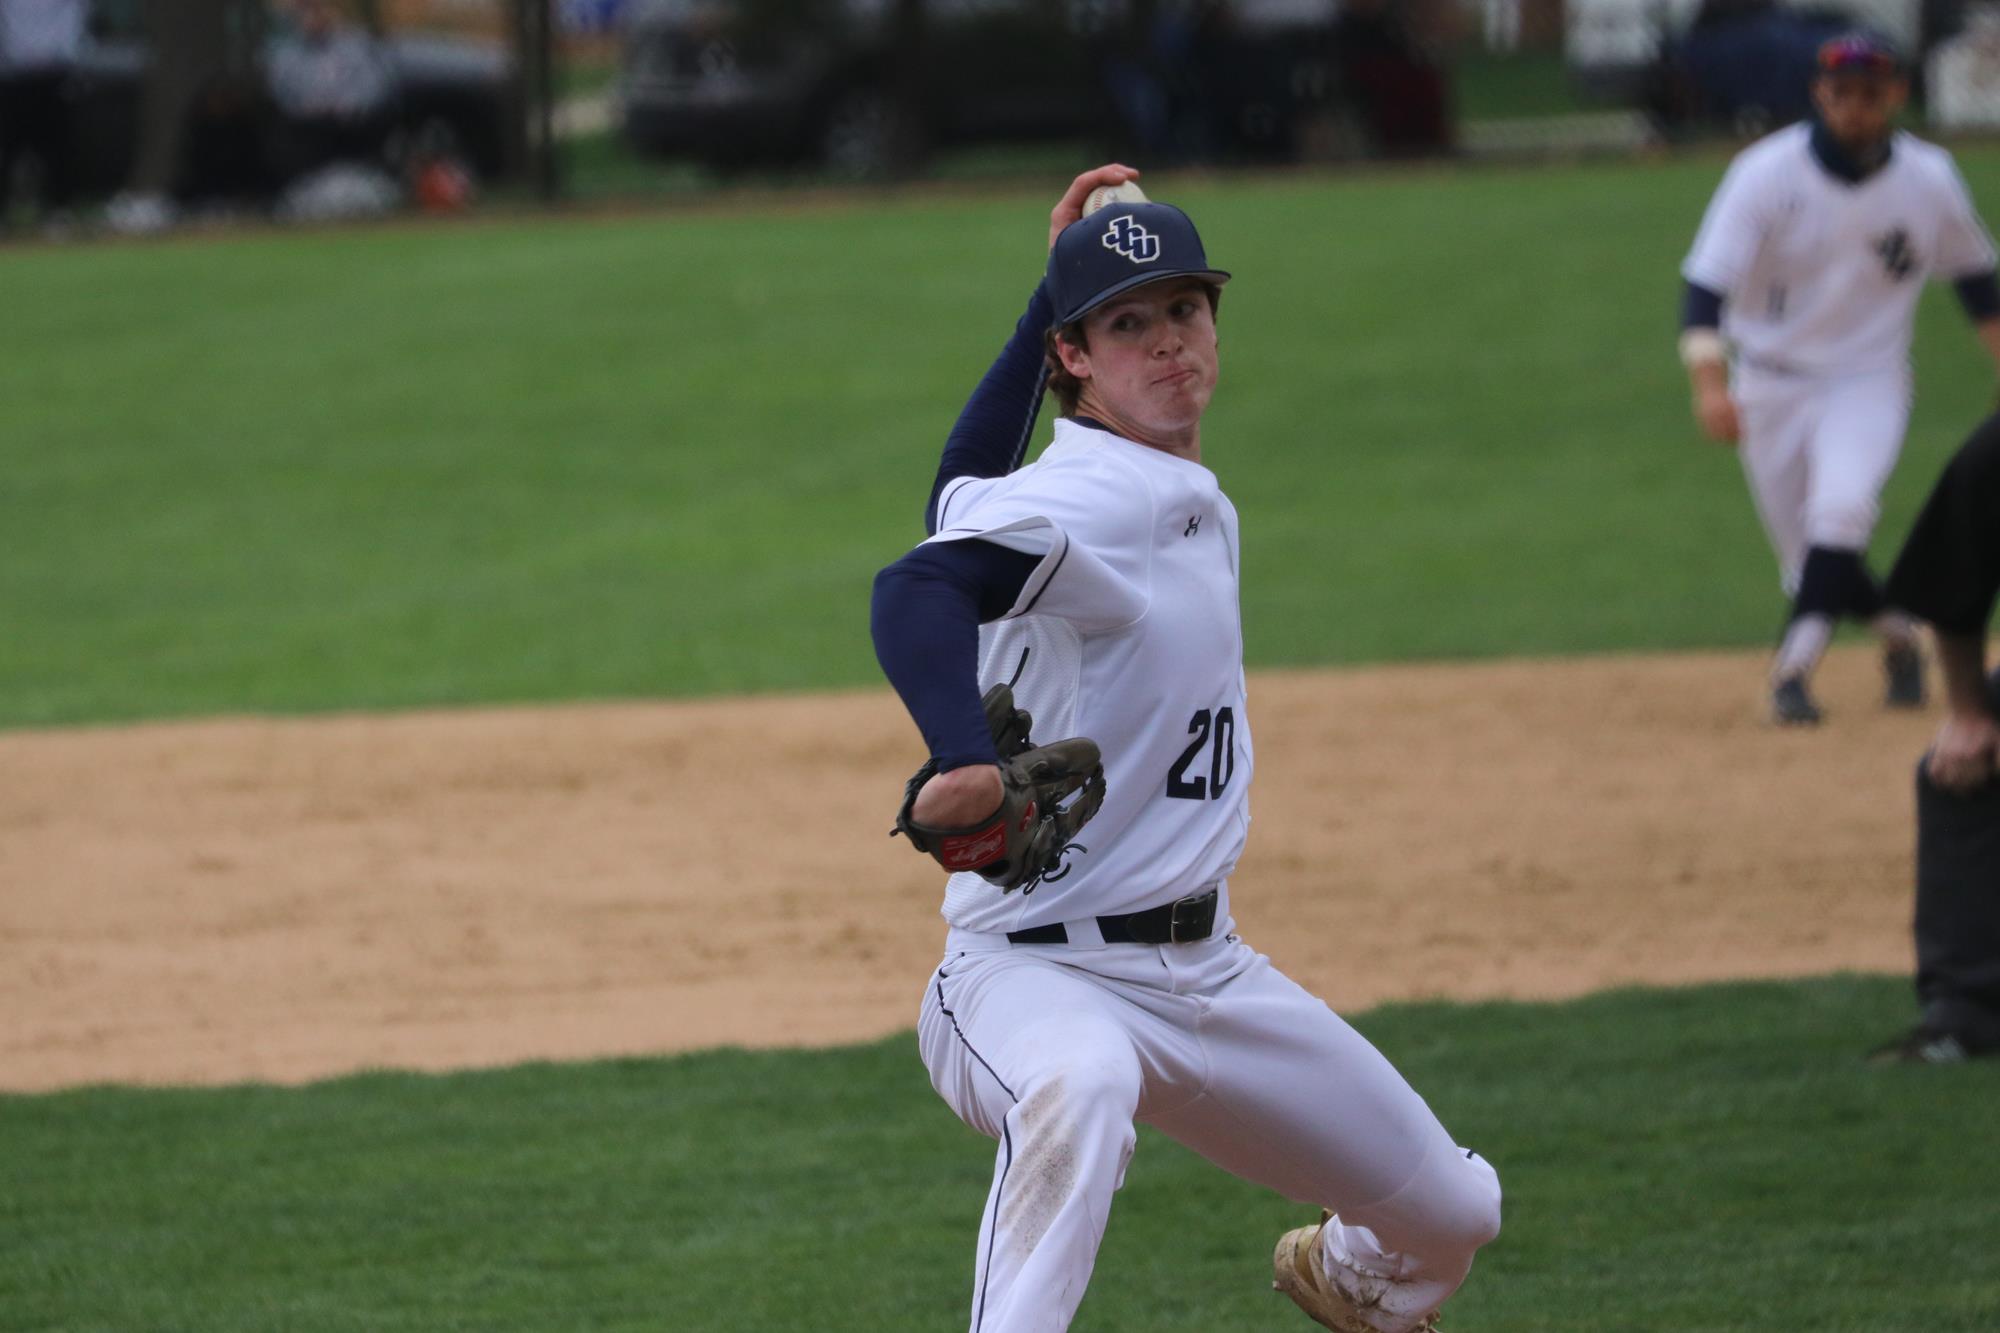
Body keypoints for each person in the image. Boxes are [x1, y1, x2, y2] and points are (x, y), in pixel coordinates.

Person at [870, 165, 1501, 1333]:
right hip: (1029, 975)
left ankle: (1345, 1278)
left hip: (1206, 975)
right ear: (1077, 358)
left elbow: (954, 496)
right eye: (1126, 323)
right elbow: (917, 580)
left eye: (1182, 311)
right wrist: (958, 750)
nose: (1167, 343)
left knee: (1452, 1216)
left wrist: (1047, 294)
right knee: (1085, 1082)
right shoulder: (1099, 499)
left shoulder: (1155, 484)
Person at [1678, 32, 2000, 725]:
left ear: (1895, 96)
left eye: (1870, 93)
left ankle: (1792, 671)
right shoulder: (1765, 174)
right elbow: (1705, 286)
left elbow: (1979, 283)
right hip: (1767, 379)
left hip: (1867, 378)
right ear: (1819, 95)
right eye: (1842, 92)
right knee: (1812, 558)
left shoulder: (1930, 178)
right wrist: (1710, 382)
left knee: (1842, 512)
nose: (1856, 106)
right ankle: (1898, 638)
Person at [1871, 415, 2000, 1064]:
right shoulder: (1993, 453)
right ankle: (1965, 1013)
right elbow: (1953, 586)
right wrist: (1971, 713)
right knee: (1951, 771)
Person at [265, 0, 394, 183]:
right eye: (308, 13)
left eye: (319, 11)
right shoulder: (286, 54)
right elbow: (282, 92)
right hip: (308, 125)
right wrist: (308, 106)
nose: (313, 18)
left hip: (351, 122)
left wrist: (347, 104)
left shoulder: (357, 46)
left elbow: (374, 86)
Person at [0, 0, 87, 231]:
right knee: (8, 148)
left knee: (59, 147)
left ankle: (60, 210)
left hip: (56, 70)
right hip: (14, 74)